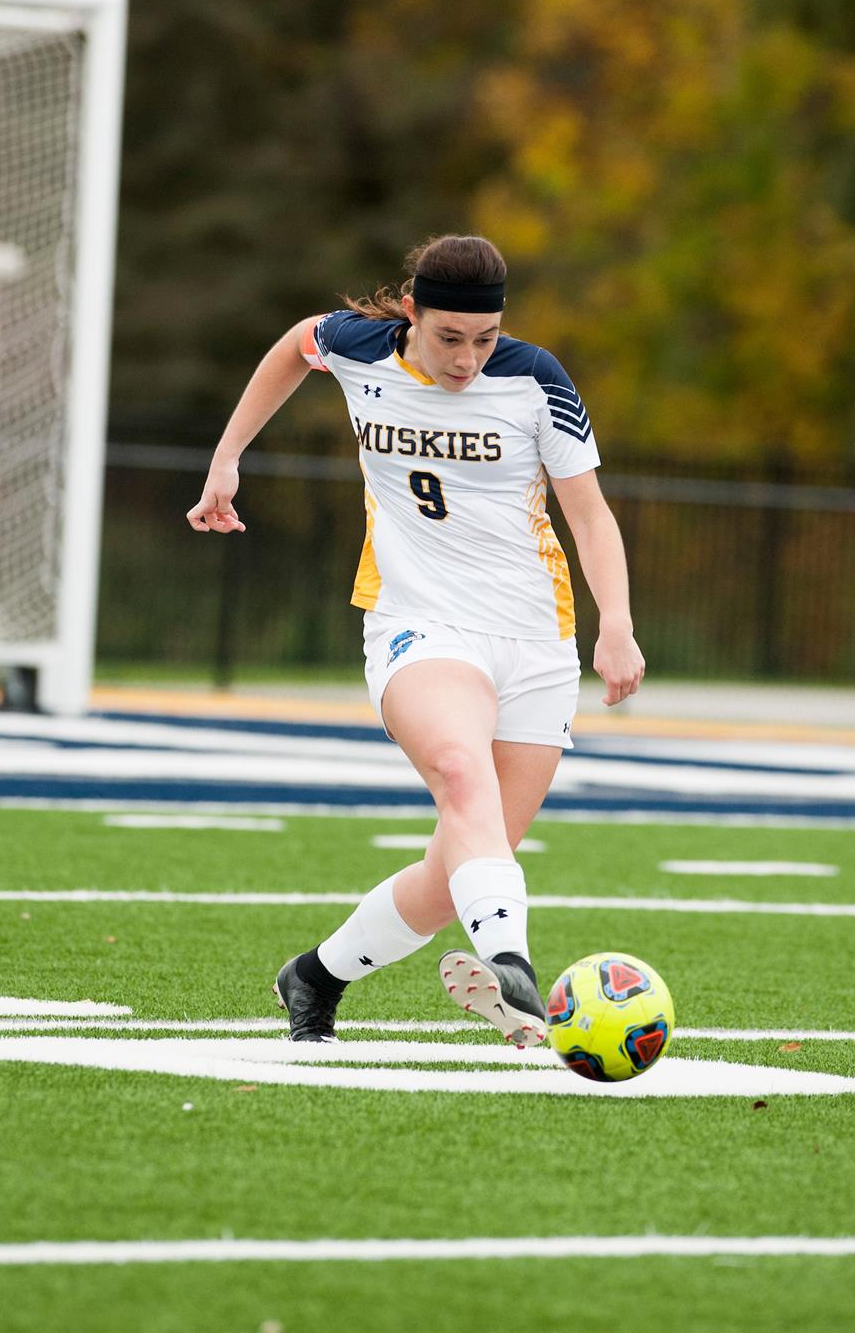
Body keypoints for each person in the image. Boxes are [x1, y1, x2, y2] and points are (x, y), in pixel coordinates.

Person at [187, 234, 645, 1047]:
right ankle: (512, 967)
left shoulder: (535, 380)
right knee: (462, 776)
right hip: (417, 623)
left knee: (455, 868)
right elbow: (295, 345)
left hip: (535, 642)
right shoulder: (358, 347)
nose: (467, 359)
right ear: (410, 313)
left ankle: (314, 977)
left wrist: (616, 623)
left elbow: (588, 512)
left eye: (484, 339)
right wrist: (228, 458)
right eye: (448, 338)